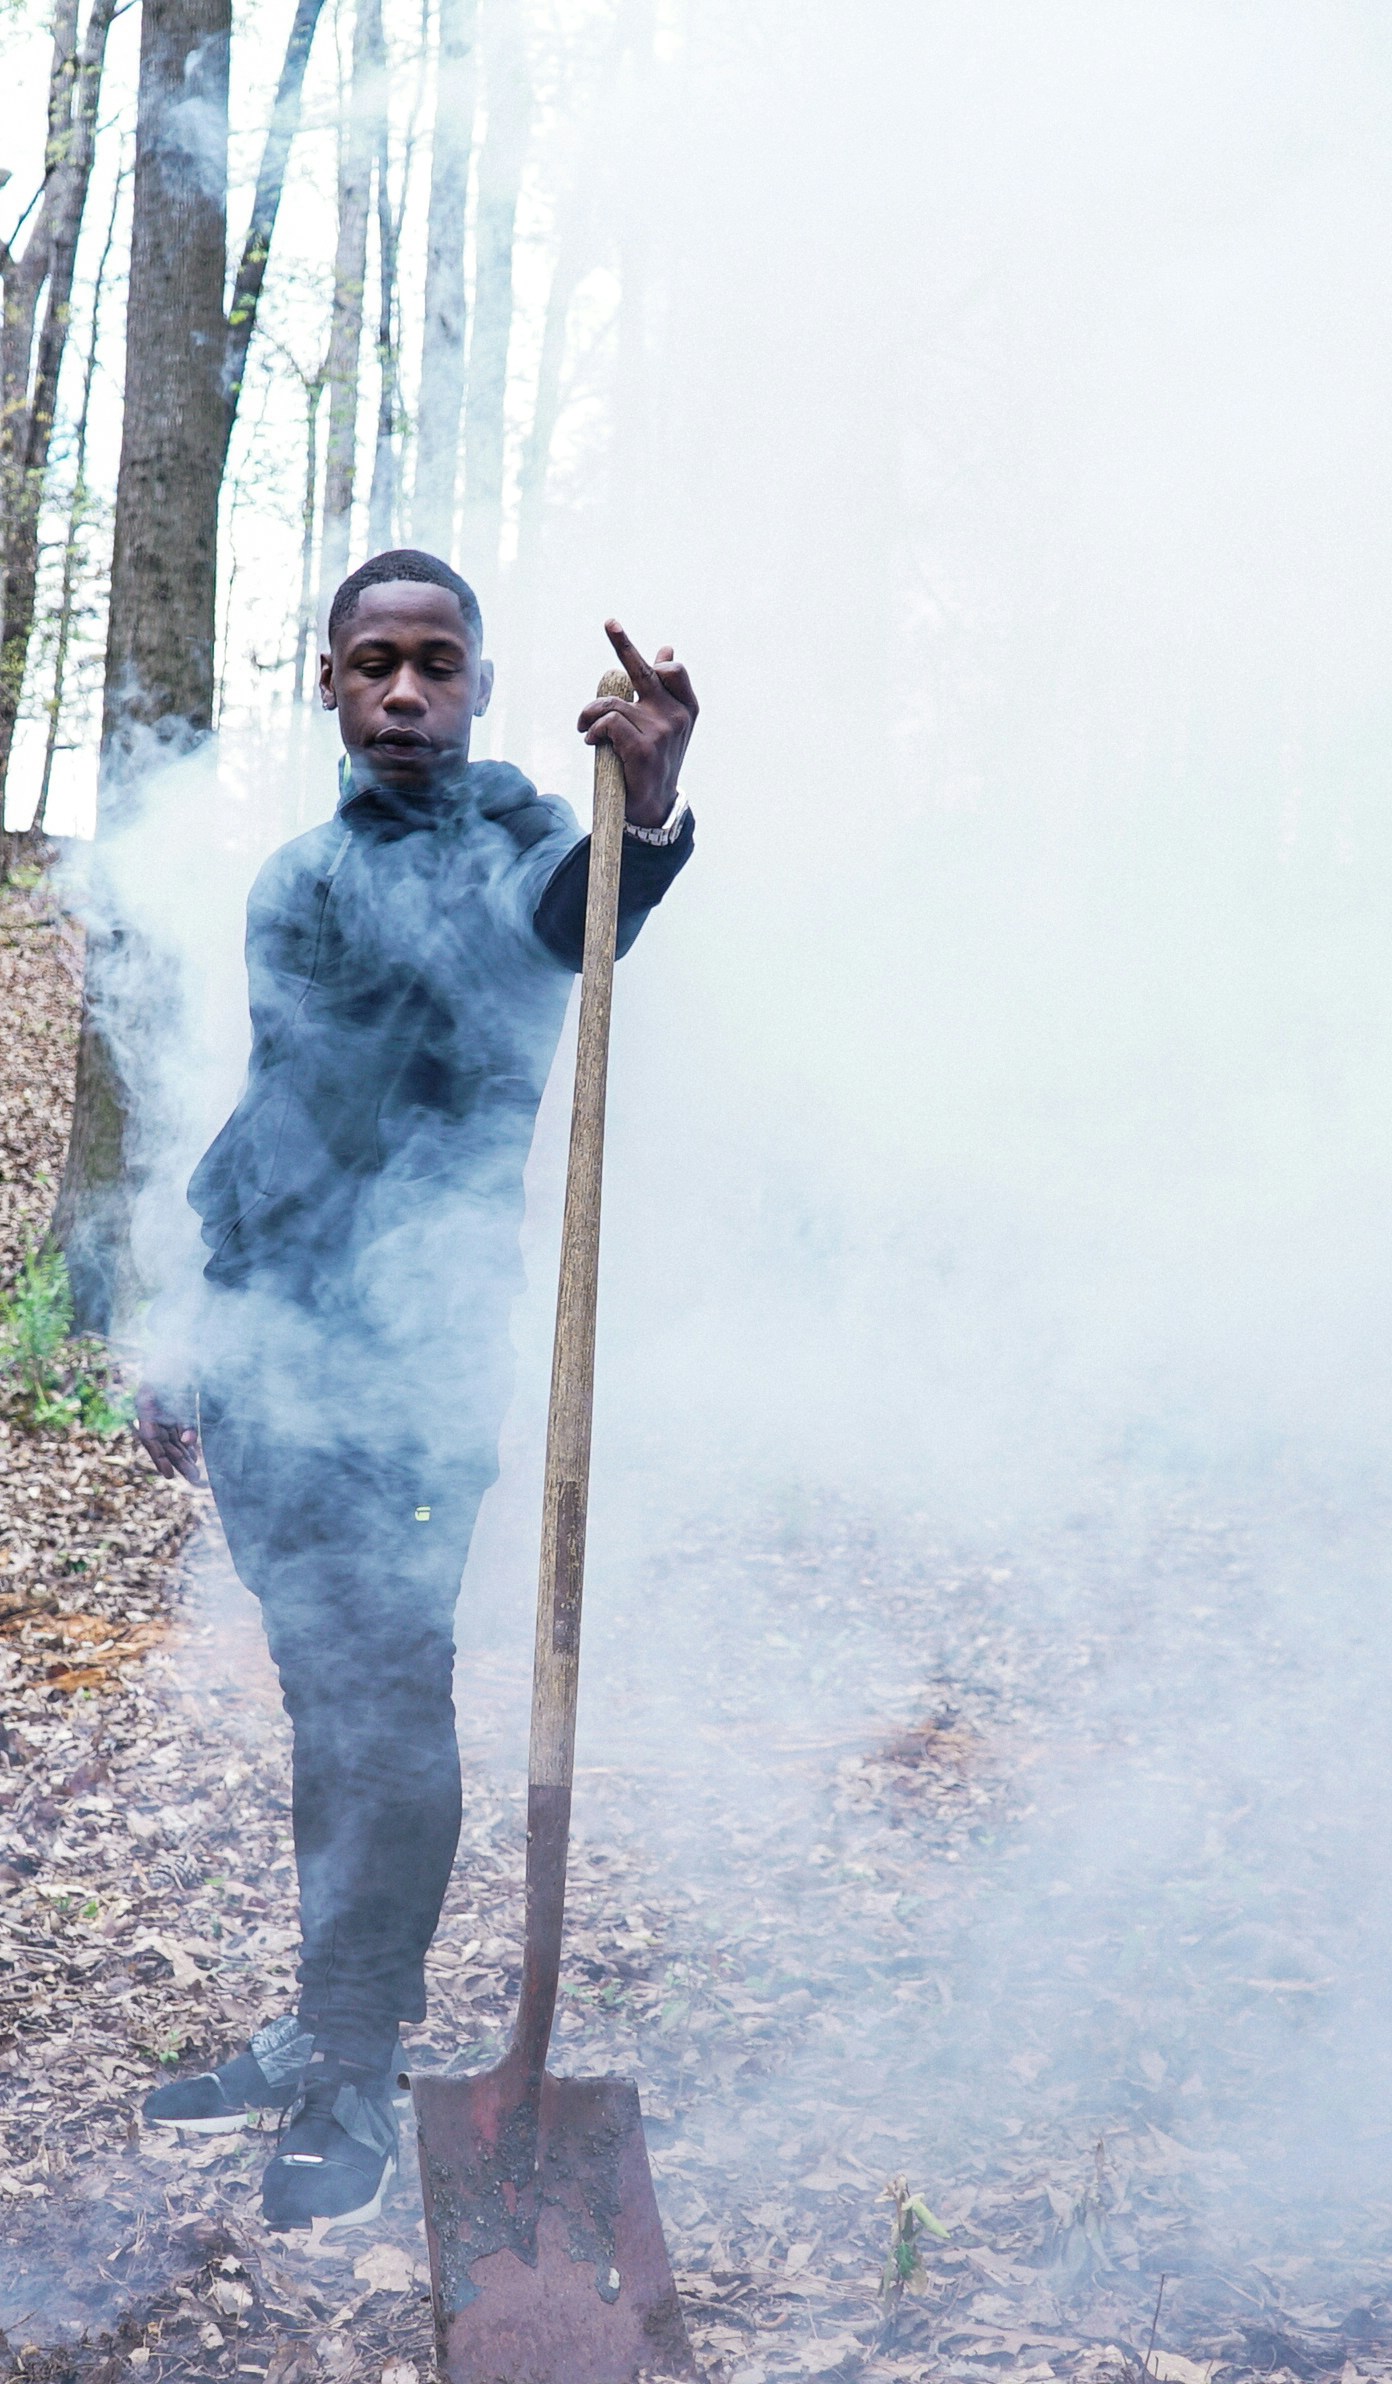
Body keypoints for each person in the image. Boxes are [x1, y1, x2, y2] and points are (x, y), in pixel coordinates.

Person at [131, 549, 700, 2232]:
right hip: (273, 1358)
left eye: (435, 665)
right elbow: (272, 1118)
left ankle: (357, 2063)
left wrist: (652, 815)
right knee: (330, 1702)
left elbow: (576, 917)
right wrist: (200, 1329)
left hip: (415, 1366)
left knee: (388, 1704)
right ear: (326, 682)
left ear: (478, 688)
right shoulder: (297, 878)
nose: (402, 691)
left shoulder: (524, 844)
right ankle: (330, 2018)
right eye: (373, 662)